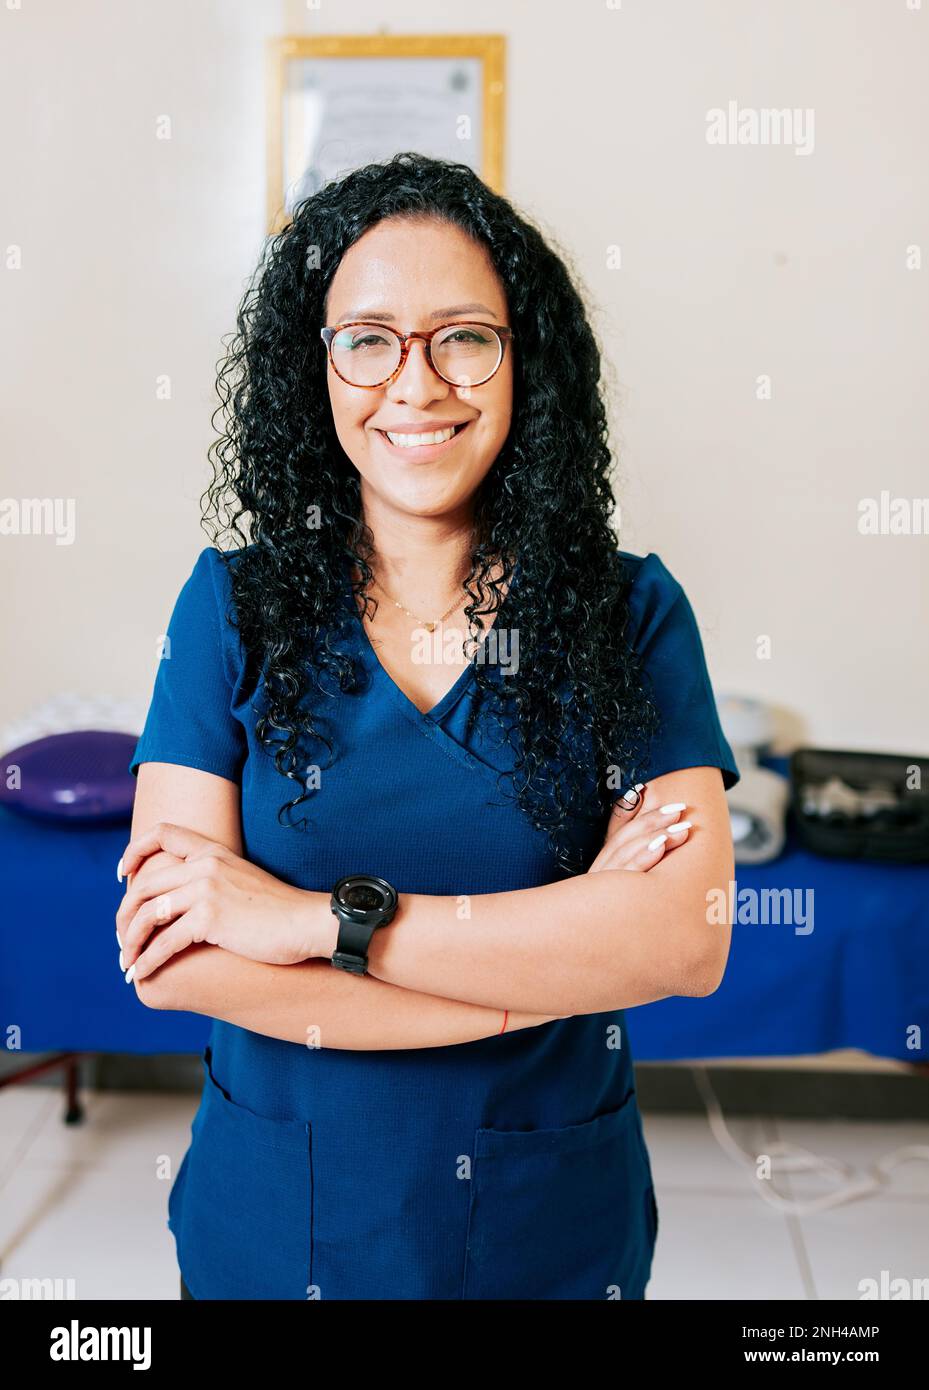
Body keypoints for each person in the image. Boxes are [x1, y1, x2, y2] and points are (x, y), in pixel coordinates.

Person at [116, 152, 739, 1301]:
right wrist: (549, 970)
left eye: (463, 335)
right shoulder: (230, 609)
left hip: (542, 1225)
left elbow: (686, 939)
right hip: (283, 1219)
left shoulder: (628, 612)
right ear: (316, 372)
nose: (416, 384)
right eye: (367, 338)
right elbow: (176, 957)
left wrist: (305, 922)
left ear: (521, 362)